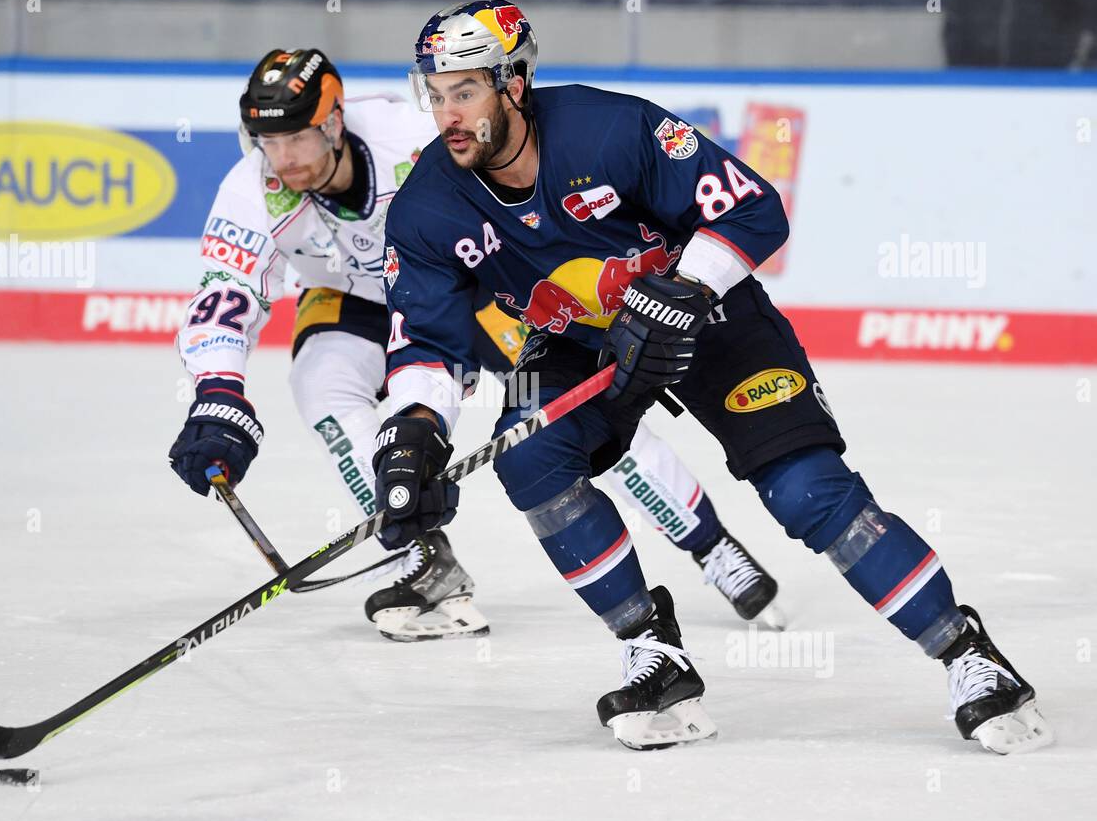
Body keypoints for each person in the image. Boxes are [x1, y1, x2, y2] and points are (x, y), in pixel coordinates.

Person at [375, 1, 1053, 753]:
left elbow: (754, 209)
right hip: (576, 343)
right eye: (433, 94)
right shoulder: (426, 207)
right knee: (528, 453)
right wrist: (411, 434)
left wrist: (687, 289)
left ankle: (968, 655)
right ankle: (654, 652)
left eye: (464, 91)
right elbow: (429, 344)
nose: (447, 114)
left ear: (517, 81)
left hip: (707, 316)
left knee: (806, 491)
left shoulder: (611, 129)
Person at [167, 48, 783, 642]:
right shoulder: (253, 188)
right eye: (267, 142)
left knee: (569, 416)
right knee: (319, 384)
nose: (283, 159)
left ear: (333, 122)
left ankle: (708, 542)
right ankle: (417, 554)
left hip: (470, 290)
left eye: (296, 137)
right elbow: (226, 294)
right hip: (351, 298)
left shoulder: (407, 138)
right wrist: (217, 393)